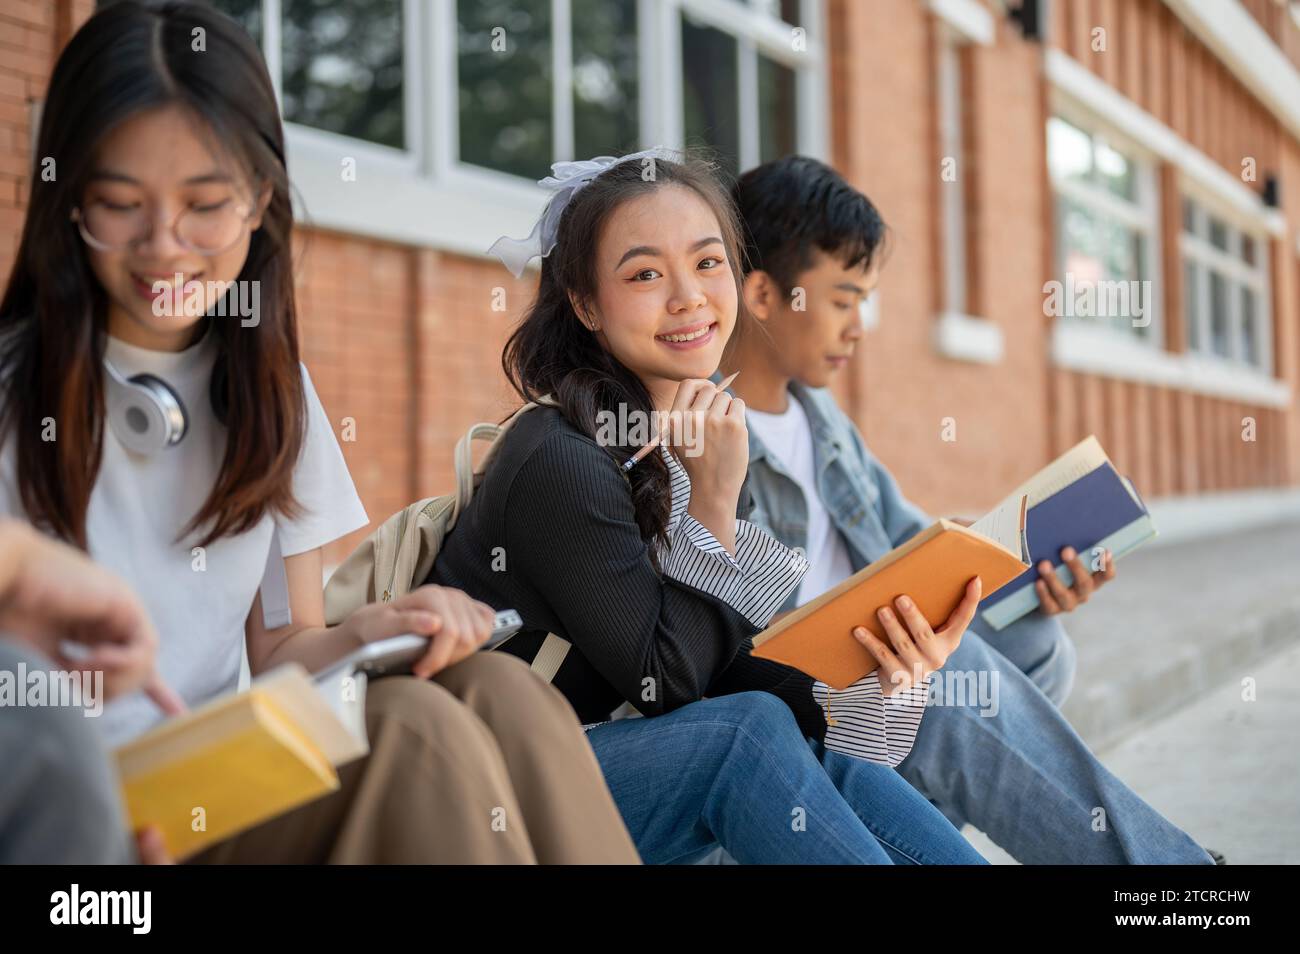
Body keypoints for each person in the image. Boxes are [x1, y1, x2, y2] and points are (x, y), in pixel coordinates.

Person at [0, 0, 638, 864]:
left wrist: (374, 632)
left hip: (211, 783)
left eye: (205, 205)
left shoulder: (268, 389)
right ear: (67, 199)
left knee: (498, 689)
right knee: (408, 733)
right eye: (119, 205)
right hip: (74, 818)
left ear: (261, 197)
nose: (165, 247)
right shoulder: (14, 389)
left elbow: (279, 647)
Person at [431, 148, 987, 864]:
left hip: (614, 771)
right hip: (493, 794)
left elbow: (750, 670)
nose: (688, 296)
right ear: (585, 303)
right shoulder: (558, 457)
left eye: (707, 262)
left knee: (821, 749)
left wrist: (885, 672)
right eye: (643, 275)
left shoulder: (688, 447)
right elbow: (669, 685)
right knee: (743, 735)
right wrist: (718, 505)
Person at [719, 154, 1214, 864]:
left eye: (866, 300)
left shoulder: (821, 420)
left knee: (1036, 645)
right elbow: (742, 632)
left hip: (883, 664)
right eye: (842, 299)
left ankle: (896, 834)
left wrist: (1028, 581)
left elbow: (909, 543)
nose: (860, 327)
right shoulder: (711, 431)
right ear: (763, 294)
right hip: (813, 704)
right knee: (947, 679)